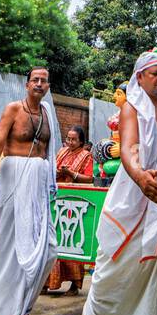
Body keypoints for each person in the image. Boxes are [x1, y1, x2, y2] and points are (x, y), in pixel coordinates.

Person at [80, 52, 157, 315]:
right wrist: (140, 176)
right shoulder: (131, 108)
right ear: (140, 77)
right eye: (155, 73)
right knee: (108, 287)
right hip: (132, 203)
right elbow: (129, 149)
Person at [0, 67, 59, 315]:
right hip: (13, 183)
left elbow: (47, 153)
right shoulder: (13, 109)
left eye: (44, 81)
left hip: (37, 190)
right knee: (6, 248)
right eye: (35, 79)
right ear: (26, 84)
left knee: (47, 250)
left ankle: (21, 311)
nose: (39, 83)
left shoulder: (46, 114)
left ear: (47, 86)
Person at [46, 124, 92, 295]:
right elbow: (52, 171)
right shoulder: (62, 152)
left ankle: (74, 284)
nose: (70, 142)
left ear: (81, 141)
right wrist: (58, 173)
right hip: (57, 200)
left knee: (72, 240)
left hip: (75, 202)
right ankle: (49, 282)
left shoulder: (86, 156)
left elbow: (89, 179)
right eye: (68, 139)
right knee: (54, 241)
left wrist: (72, 174)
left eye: (74, 139)